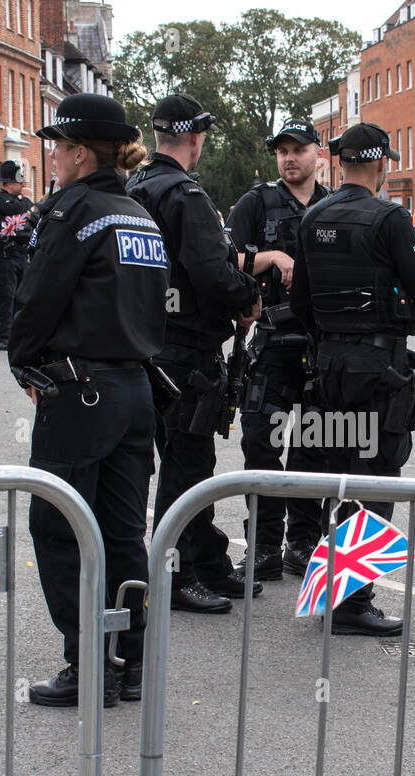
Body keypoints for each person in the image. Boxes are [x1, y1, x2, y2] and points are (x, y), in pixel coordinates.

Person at [8, 94, 167, 707]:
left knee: (59, 524)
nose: (50, 157)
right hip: (134, 389)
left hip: (81, 392)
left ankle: (87, 664)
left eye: (57, 146)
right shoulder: (137, 213)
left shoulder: (73, 209)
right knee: (124, 533)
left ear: (78, 152)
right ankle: (130, 662)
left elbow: (40, 293)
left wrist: (23, 359)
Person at [290, 121, 415, 636]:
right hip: (377, 369)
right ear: (382, 164)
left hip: (329, 367)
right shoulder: (390, 219)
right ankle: (352, 602)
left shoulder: (313, 217)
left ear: (340, 162)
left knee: (339, 473)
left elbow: (300, 304)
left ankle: (333, 588)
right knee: (375, 480)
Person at [126, 92, 262, 614]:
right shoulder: (186, 195)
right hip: (187, 351)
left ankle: (205, 559)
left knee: (183, 458)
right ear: (197, 138)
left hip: (146, 345)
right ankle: (177, 573)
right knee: (187, 465)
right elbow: (210, 269)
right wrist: (247, 294)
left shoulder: (135, 187)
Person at [225, 118, 331, 581]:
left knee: (315, 447)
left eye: (299, 149)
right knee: (262, 446)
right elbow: (225, 258)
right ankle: (264, 546)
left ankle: (304, 543)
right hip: (270, 342)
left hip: (321, 345)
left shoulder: (335, 205)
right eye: (282, 150)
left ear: (318, 154)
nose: (289, 157)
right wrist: (272, 257)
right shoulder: (256, 203)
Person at [0, 160, 34, 351]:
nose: (22, 186)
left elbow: (34, 212)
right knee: (5, 296)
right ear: (7, 183)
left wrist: (28, 206)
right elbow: (18, 210)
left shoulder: (22, 200)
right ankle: (3, 336)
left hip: (21, 252)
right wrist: (27, 206)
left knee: (21, 297)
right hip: (4, 253)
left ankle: (17, 333)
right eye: (18, 182)